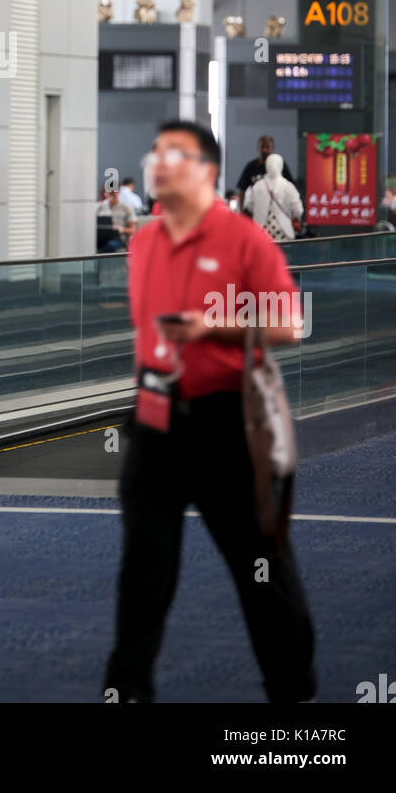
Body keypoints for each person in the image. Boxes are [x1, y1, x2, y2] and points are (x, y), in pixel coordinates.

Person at [103, 119, 316, 704]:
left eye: (174, 153)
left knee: (261, 567)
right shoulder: (143, 241)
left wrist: (211, 326)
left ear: (206, 171)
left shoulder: (244, 240)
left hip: (227, 427)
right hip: (153, 425)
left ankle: (293, 694)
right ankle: (126, 690)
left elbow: (290, 325)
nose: (159, 162)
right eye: (156, 152)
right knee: (144, 573)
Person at [244, 154, 303, 241]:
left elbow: (249, 206)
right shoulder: (288, 186)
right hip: (284, 233)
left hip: (261, 232)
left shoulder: (257, 186)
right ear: (281, 166)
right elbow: (297, 210)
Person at [236, 135, 294, 201]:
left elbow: (291, 186)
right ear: (258, 148)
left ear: (272, 148)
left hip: (277, 203)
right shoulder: (251, 166)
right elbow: (242, 188)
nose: (265, 150)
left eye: (268, 147)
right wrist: (241, 208)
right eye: (262, 147)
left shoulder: (281, 165)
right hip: (257, 204)